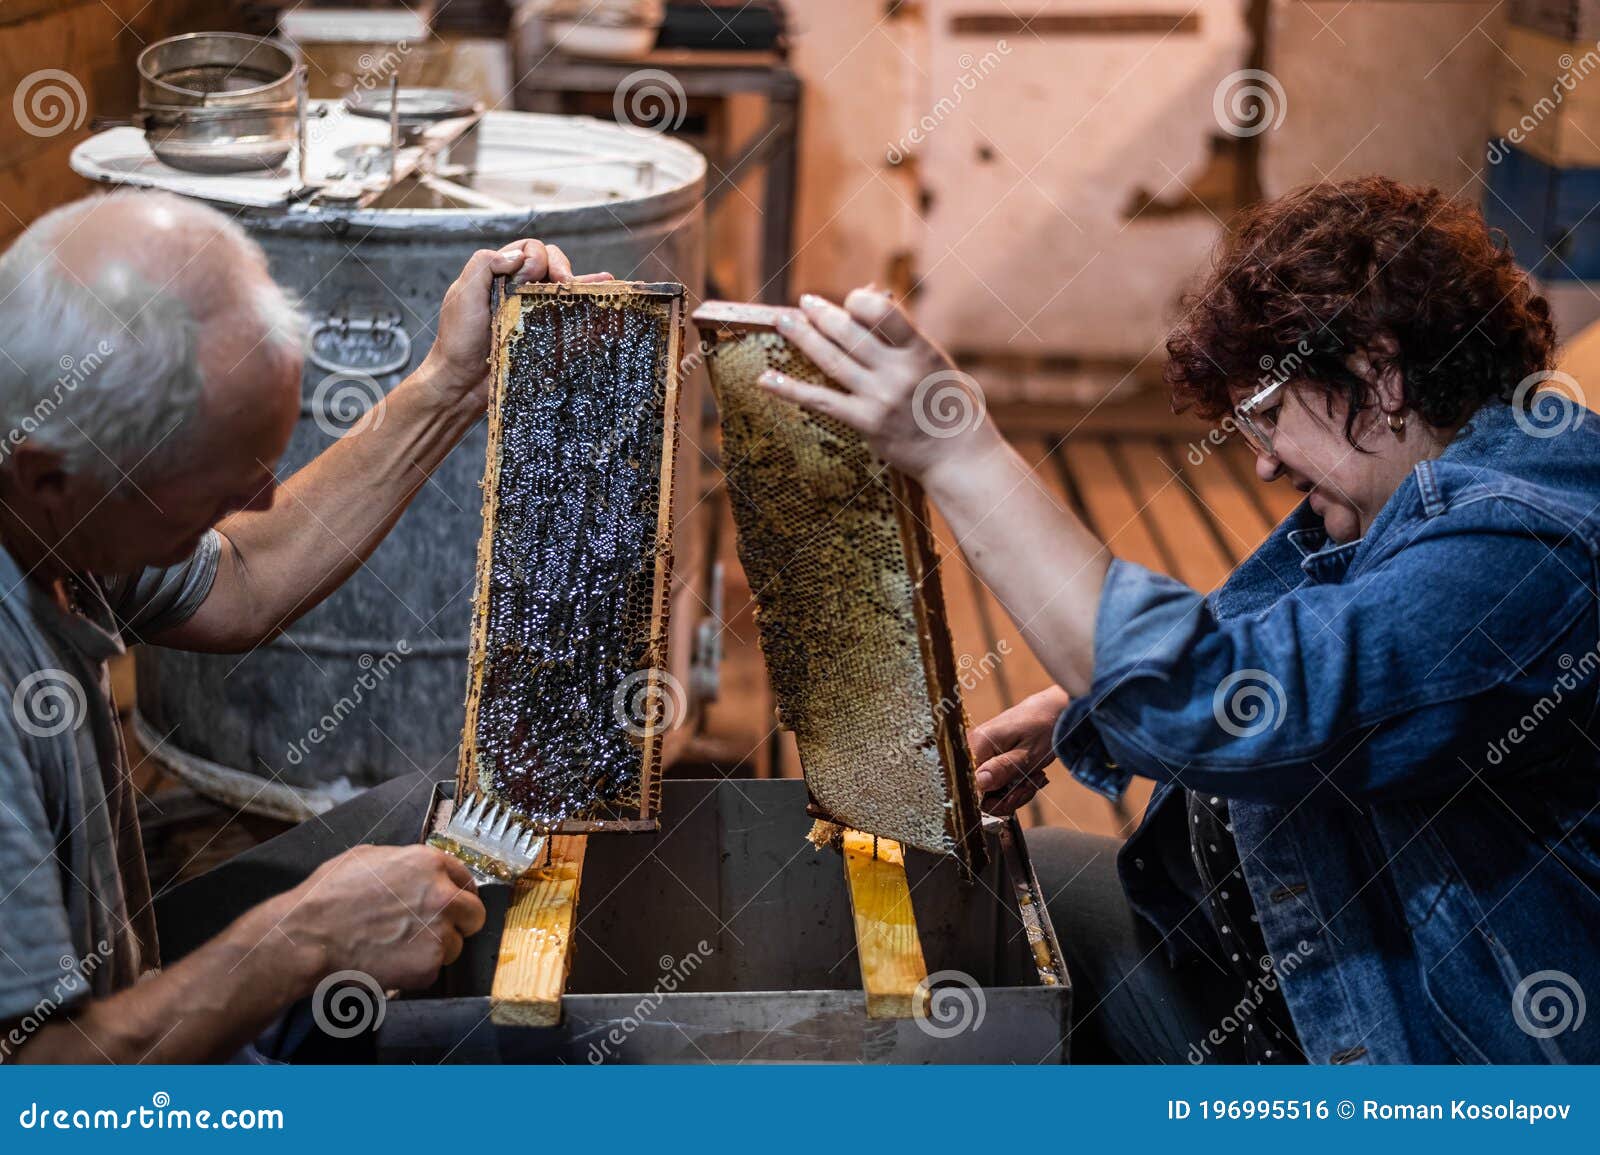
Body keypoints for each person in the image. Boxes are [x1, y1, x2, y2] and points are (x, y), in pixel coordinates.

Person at [761, 175, 1600, 1064]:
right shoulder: (1425, 495)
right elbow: (1301, 629)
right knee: (1036, 888)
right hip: (1291, 987)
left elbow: (1243, 701)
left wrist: (957, 451)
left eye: (1272, 414)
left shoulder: (1531, 550)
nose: (1269, 466)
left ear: (1380, 373)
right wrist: (1074, 704)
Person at [0, 190, 609, 1062]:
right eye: (219, 487)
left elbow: (239, 578)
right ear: (49, 476)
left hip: (112, 981)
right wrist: (298, 940)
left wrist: (450, 385)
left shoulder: (51, 483)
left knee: (421, 814)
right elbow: (33, 1093)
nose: (258, 503)